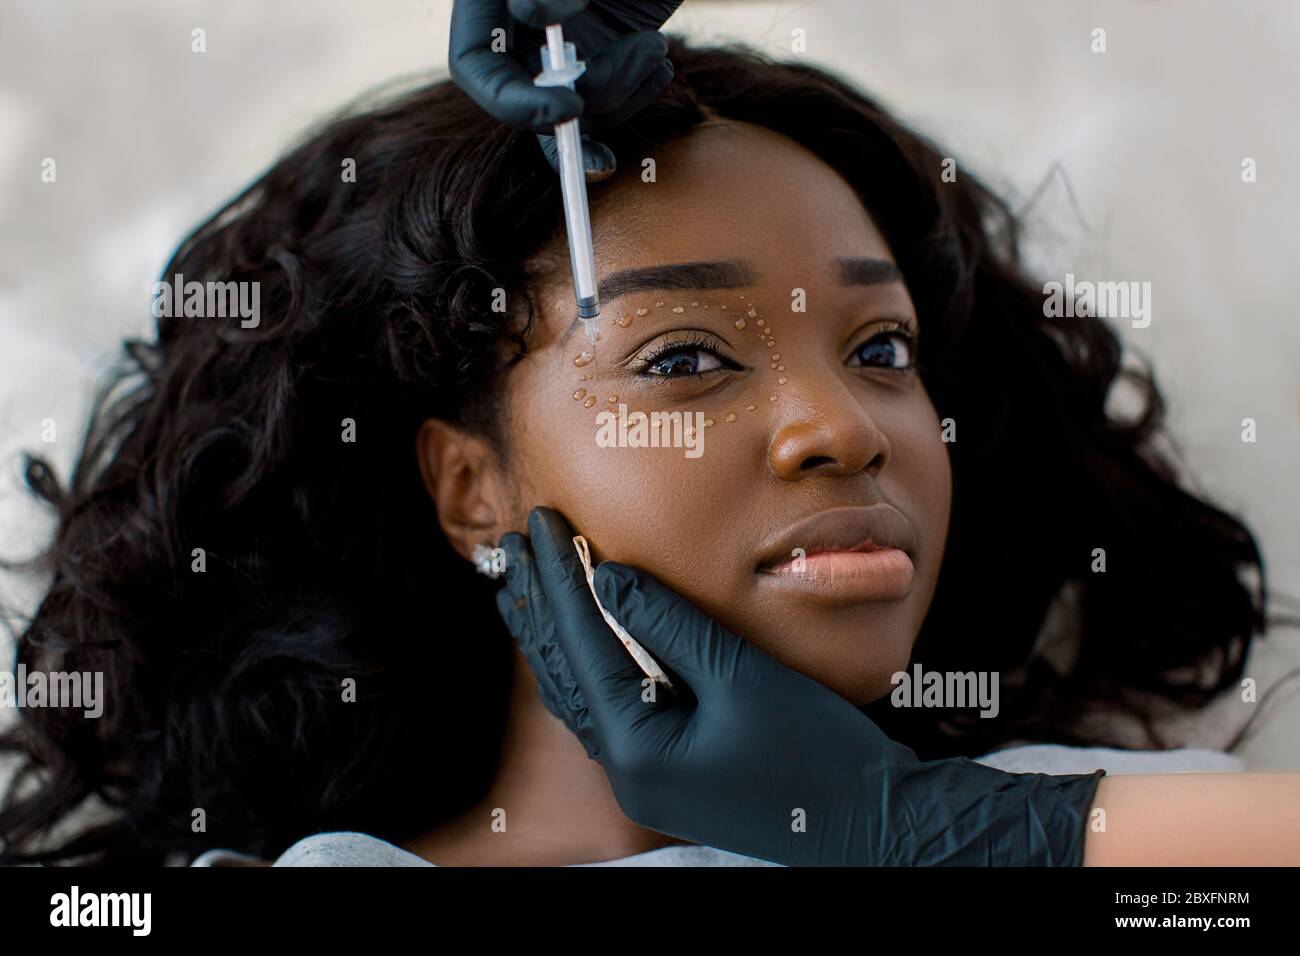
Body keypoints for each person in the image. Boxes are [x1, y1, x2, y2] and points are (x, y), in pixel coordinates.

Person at [1, 35, 1293, 868]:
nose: (846, 428)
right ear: (470, 487)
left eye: (883, 350)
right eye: (684, 359)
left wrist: (934, 838)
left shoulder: (1111, 828)